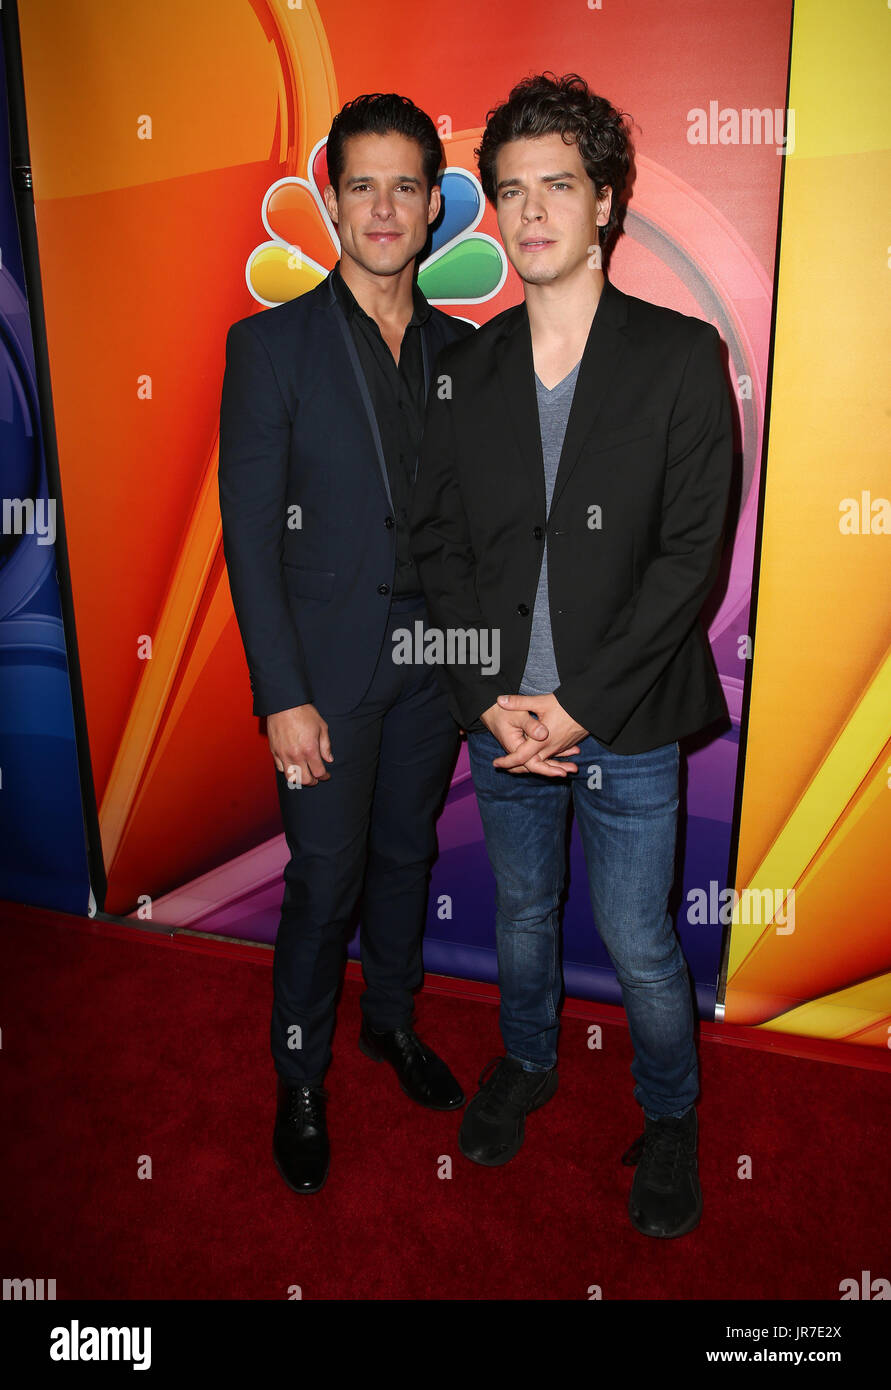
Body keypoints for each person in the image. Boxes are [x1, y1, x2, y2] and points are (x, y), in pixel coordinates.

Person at [411, 73, 733, 1238]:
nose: (532, 210)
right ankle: (529, 1062)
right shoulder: (464, 370)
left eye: (559, 185)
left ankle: (671, 1113)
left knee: (645, 943)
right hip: (503, 718)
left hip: (629, 717)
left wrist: (581, 705)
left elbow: (690, 558)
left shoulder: (680, 356)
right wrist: (490, 700)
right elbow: (438, 549)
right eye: (511, 190)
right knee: (523, 919)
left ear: (607, 203)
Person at [219, 93, 474, 1196]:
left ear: (432, 208)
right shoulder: (268, 346)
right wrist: (283, 694)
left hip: (433, 671)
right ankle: (300, 1072)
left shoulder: (469, 350)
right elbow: (248, 532)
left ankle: (391, 1024)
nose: (383, 207)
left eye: (404, 186)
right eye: (361, 184)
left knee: (407, 859)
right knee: (326, 879)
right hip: (322, 674)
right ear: (330, 202)